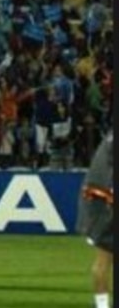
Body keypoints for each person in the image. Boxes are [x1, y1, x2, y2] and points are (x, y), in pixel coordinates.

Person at [77, 132, 112, 308]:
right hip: (107, 205)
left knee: (103, 260)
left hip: (101, 202)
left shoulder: (108, 140)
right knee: (103, 260)